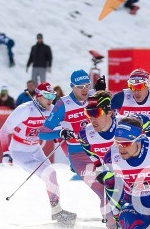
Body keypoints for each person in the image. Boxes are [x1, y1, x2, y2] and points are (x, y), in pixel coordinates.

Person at [0, 82, 76, 226]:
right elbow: (4, 130)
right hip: (20, 151)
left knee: (51, 177)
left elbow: (60, 136)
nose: (50, 99)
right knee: (50, 173)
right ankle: (57, 212)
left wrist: (70, 159)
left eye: (52, 95)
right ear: (38, 96)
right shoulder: (25, 109)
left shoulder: (52, 110)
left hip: (35, 149)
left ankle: (57, 211)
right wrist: (5, 153)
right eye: (47, 96)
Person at [40, 70, 103, 216]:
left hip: (102, 151)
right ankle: (117, 227)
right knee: (102, 190)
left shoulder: (95, 96)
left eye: (87, 85)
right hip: (79, 155)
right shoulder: (63, 104)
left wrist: (104, 92)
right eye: (80, 86)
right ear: (72, 86)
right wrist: (60, 133)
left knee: (122, 186)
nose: (84, 89)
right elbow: (43, 132)